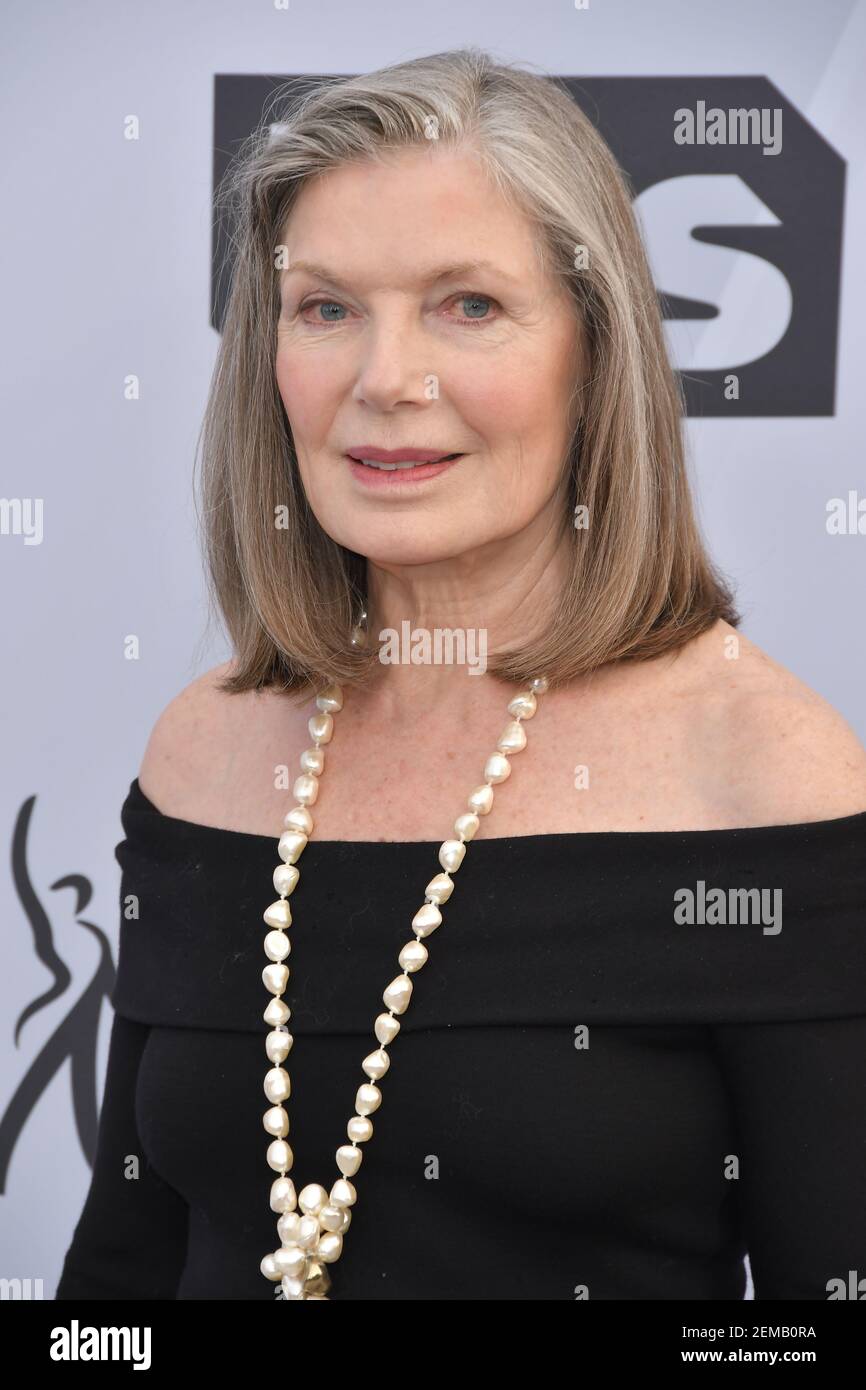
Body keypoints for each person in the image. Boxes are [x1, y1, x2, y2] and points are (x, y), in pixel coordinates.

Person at [56, 47, 866, 1301]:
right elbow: (116, 1283)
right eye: (326, 307)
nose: (387, 381)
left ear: (592, 353)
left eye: (467, 306)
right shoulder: (202, 751)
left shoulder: (758, 773)